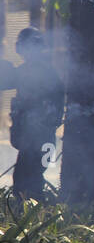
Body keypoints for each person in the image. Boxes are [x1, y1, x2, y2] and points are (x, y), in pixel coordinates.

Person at [0, 27, 65, 202]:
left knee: (27, 184)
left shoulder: (39, 72)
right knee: (27, 181)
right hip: (37, 142)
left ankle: (34, 211)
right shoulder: (33, 70)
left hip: (39, 141)